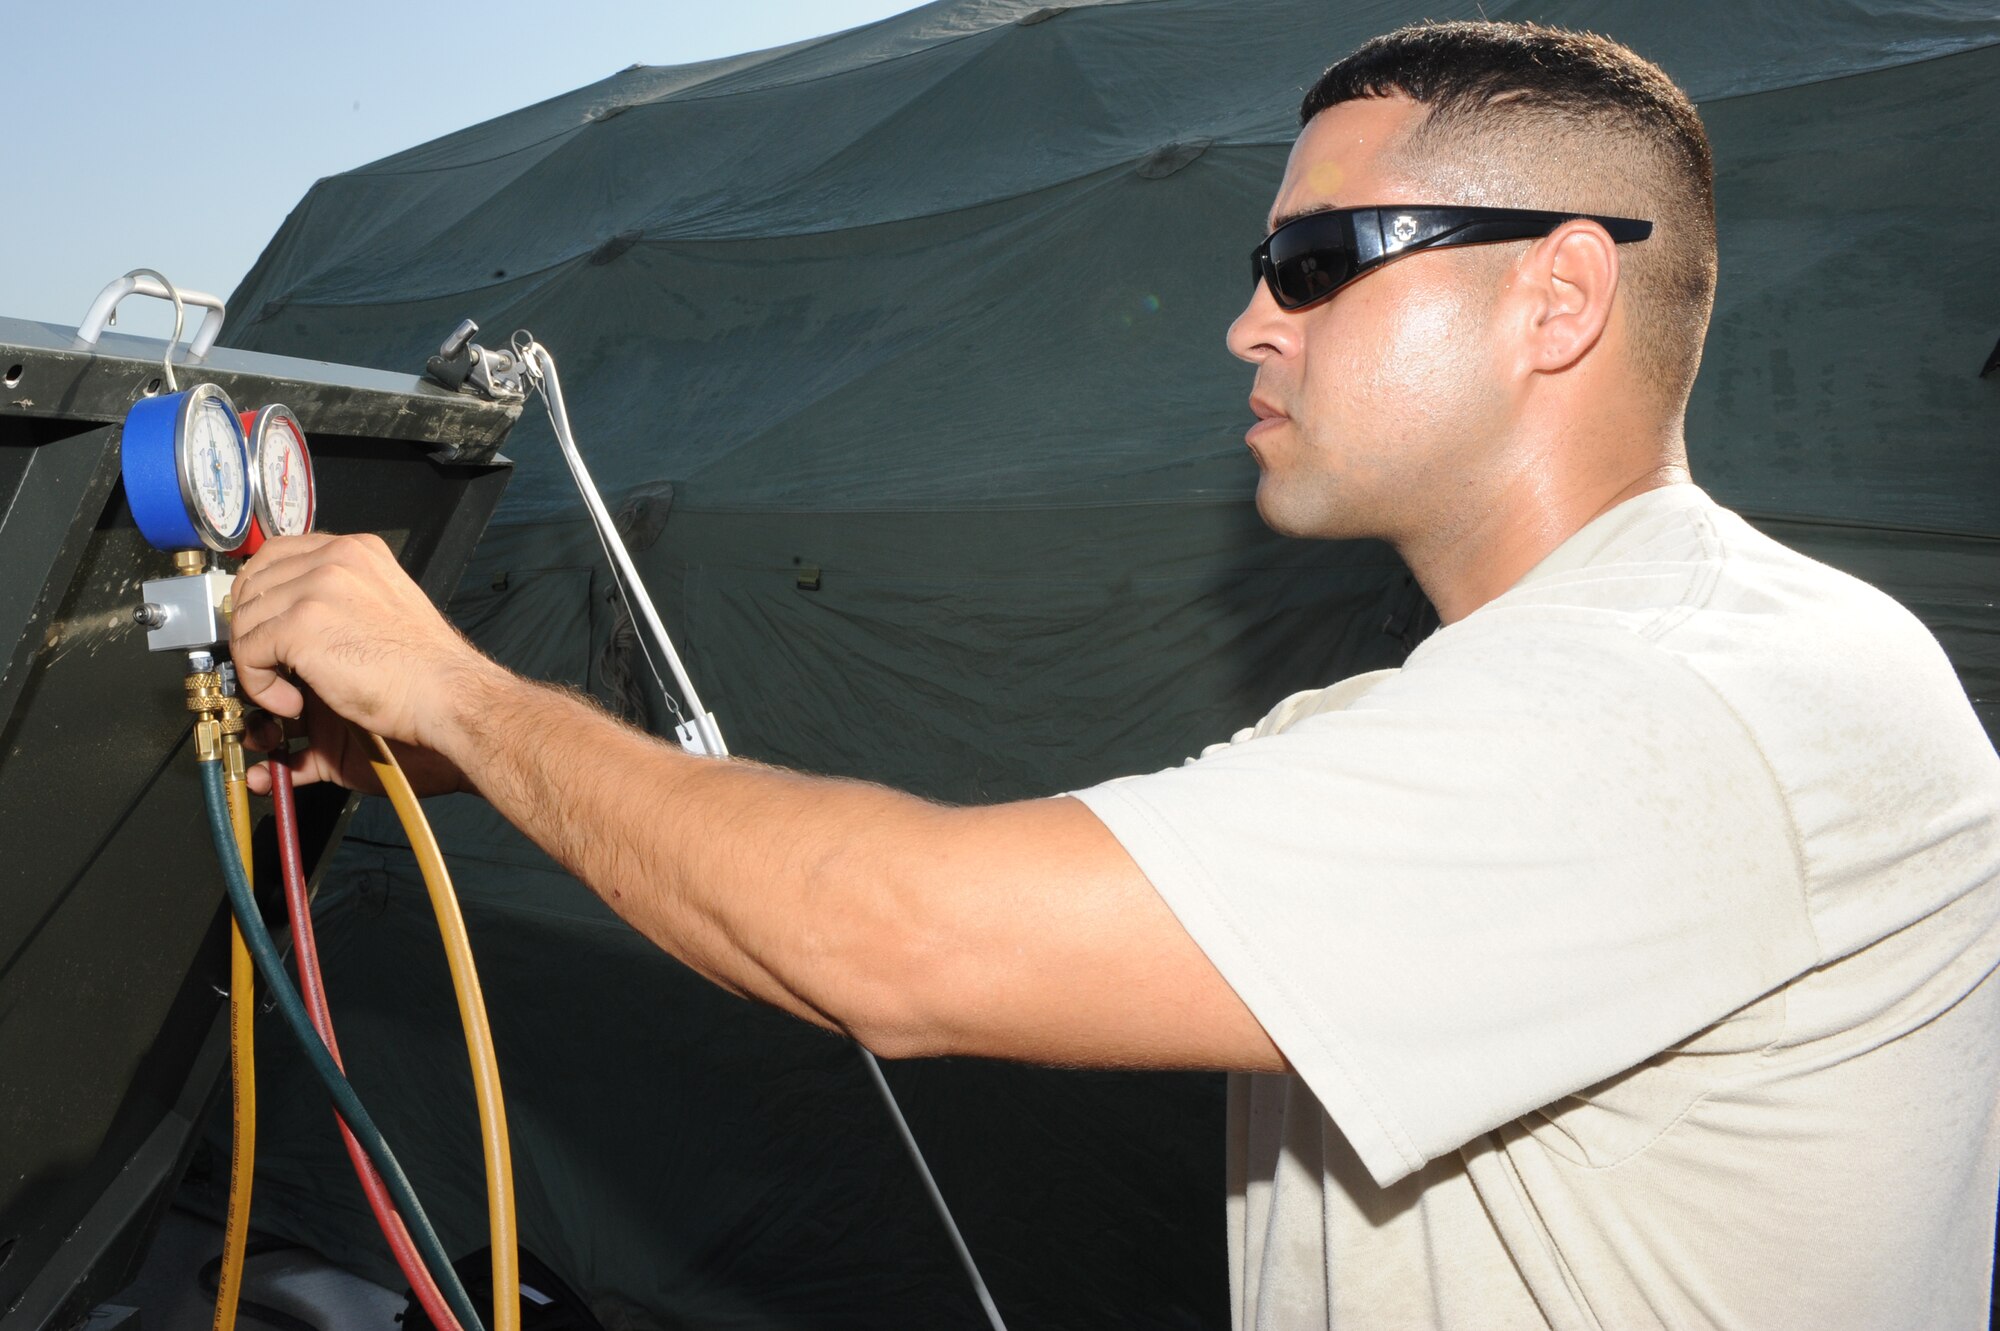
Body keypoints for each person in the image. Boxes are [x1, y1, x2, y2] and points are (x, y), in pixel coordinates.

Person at [231, 20, 2000, 1330]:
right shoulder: (1559, 692)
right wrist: (469, 766)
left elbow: (894, 939)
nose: (1251, 323)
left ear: (1556, 301)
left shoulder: (1671, 704)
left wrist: (450, 687)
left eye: (1318, 265)